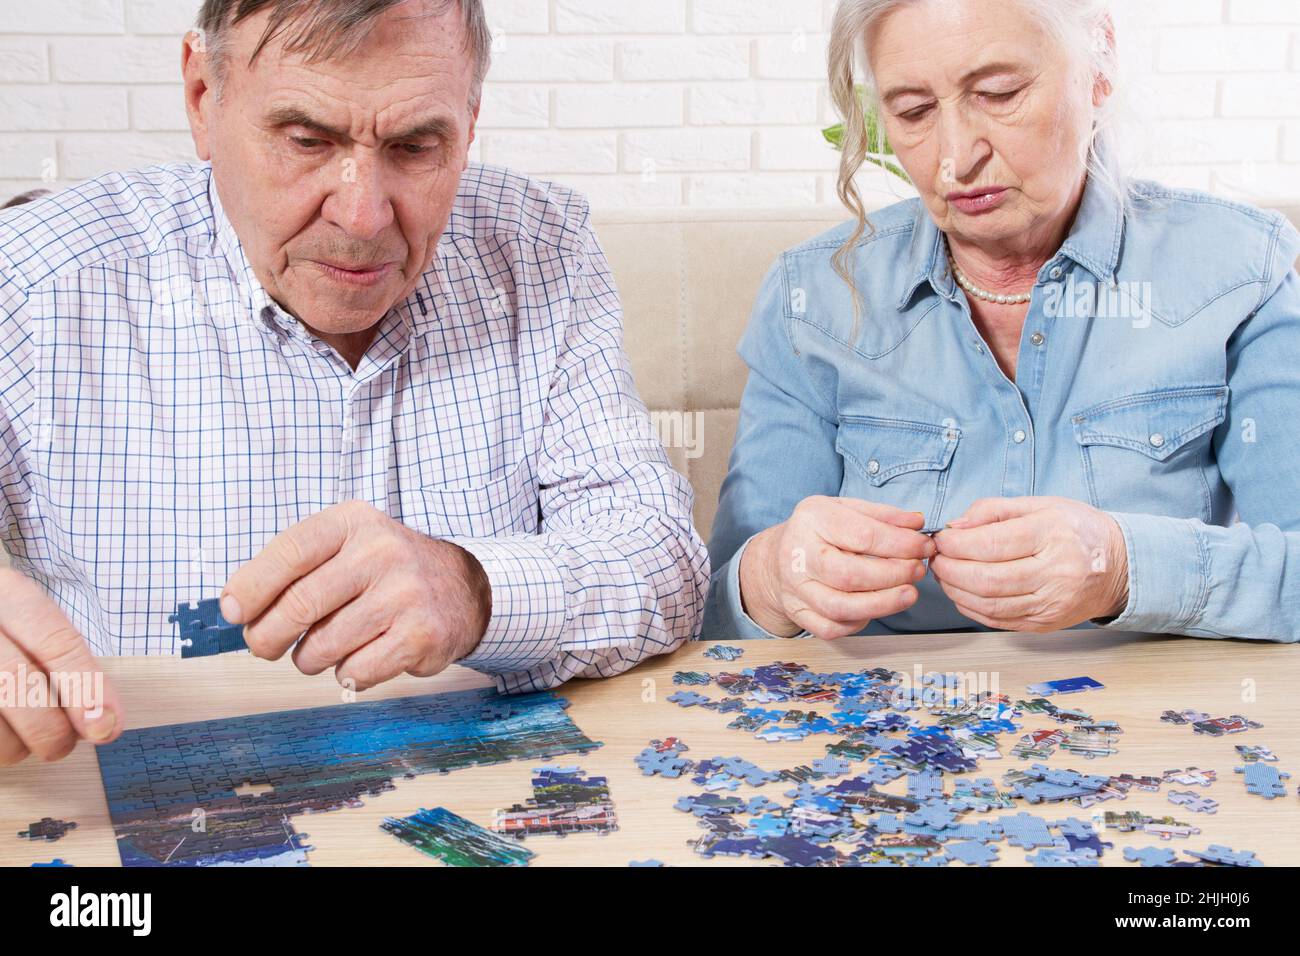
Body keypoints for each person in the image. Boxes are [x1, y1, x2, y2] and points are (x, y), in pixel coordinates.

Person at [0, 0, 708, 767]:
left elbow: (661, 559)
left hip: (483, 802)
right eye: (306, 140)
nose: (364, 215)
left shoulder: (541, 250)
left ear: (469, 124)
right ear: (204, 97)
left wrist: (477, 590)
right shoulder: (35, 281)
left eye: (414, 145)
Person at [706, 0, 1300, 645]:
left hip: (1152, 722)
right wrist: (772, 578)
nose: (956, 157)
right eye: (913, 112)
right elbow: (717, 616)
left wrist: (1123, 567)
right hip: (889, 727)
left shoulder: (1239, 266)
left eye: (998, 93)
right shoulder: (813, 295)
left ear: (1098, 68)